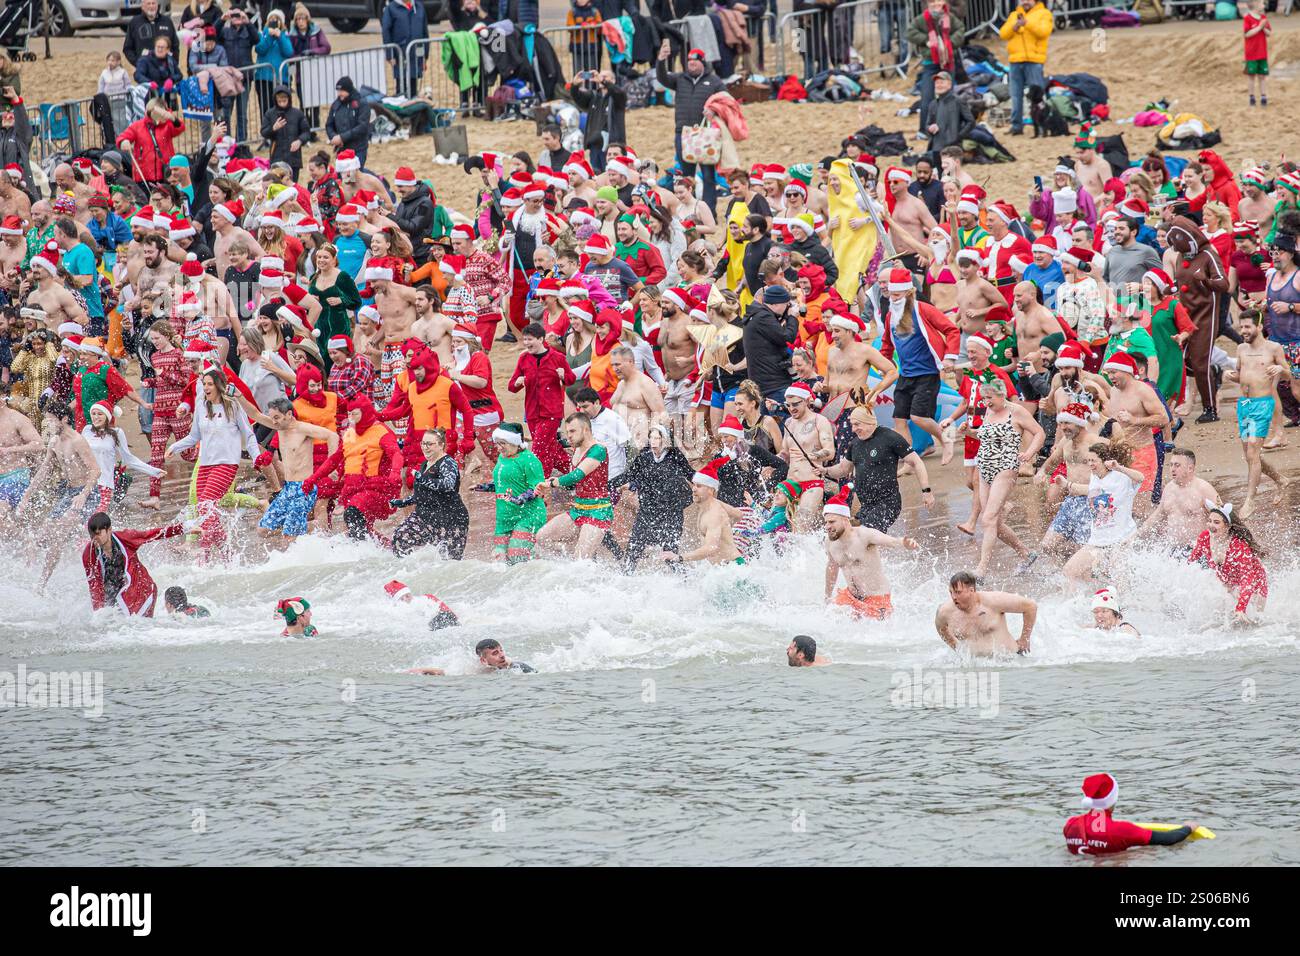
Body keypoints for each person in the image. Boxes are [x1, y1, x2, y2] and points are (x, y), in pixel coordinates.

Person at [823, 405, 933, 533]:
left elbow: (916, 462)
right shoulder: (855, 443)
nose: (853, 429)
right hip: (866, 506)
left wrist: (926, 491)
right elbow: (843, 469)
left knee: (866, 535)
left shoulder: (889, 437)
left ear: (869, 422)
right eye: (852, 425)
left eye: (857, 424)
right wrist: (824, 471)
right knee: (849, 534)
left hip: (888, 503)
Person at [1223, 310, 1291, 518]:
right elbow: (1242, 377)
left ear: (1259, 327)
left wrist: (1280, 370)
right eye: (1241, 327)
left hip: (1262, 405)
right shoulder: (1241, 348)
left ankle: (1250, 500)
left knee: (1252, 451)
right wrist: (1230, 376)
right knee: (1250, 456)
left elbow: (1290, 373)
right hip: (1245, 405)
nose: (1243, 331)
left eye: (1247, 327)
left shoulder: (1273, 348)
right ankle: (1280, 479)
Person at [823, 485, 920, 621]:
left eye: (832, 522)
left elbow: (892, 541)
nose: (827, 526)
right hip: (850, 597)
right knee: (829, 621)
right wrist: (827, 597)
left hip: (876, 598)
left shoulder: (864, 535)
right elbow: (832, 567)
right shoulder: (830, 542)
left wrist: (905, 543)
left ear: (845, 519)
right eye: (826, 522)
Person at [1060, 438, 1145, 589]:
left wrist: (1119, 468)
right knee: (1069, 571)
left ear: (1105, 461)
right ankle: (1080, 606)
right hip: (1097, 541)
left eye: (1094, 460)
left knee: (1118, 578)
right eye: (1088, 461)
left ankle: (1126, 608)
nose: (1090, 464)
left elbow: (1141, 478)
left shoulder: (1122, 478)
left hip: (1121, 539)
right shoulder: (1094, 477)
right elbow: (1090, 491)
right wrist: (1067, 484)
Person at [656, 45, 727, 216]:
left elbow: (725, 99)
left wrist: (714, 110)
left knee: (708, 175)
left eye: (695, 61)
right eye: (689, 61)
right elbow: (663, 78)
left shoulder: (714, 80)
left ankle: (709, 212)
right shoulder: (681, 78)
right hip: (684, 133)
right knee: (687, 176)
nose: (691, 64)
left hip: (706, 134)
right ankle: (690, 212)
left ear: (702, 62)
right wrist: (660, 60)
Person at [611, 423, 693, 570]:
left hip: (671, 512)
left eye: (657, 438)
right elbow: (629, 475)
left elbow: (690, 474)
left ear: (665, 440)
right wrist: (607, 485)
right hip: (647, 511)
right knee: (633, 550)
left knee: (670, 554)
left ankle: (685, 582)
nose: (654, 441)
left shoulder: (675, 456)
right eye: (651, 438)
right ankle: (625, 580)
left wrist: (707, 481)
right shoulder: (644, 457)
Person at [82, 511, 188, 617]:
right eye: (92, 535)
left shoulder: (125, 538)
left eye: (98, 533)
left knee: (139, 626)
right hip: (114, 593)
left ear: (109, 530)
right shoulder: (89, 554)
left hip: (141, 590)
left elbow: (153, 534)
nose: (94, 538)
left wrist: (183, 528)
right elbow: (94, 585)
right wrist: (98, 613)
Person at [1063, 773, 1197, 855]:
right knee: (1142, 854)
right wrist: (1188, 827)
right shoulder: (1123, 830)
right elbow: (1169, 839)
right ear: (1113, 799)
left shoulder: (1071, 824)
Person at [389, 427, 470, 559]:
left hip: (450, 519)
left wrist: (422, 478)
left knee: (449, 561)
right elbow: (422, 495)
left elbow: (448, 485)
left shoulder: (448, 463)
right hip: (425, 515)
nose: (425, 447)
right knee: (400, 537)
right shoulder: (425, 464)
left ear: (441, 445)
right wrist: (402, 502)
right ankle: (410, 574)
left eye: (430, 444)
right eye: (423, 443)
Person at [1189, 501, 1268, 623]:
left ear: (1228, 526)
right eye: (1209, 521)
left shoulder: (1239, 546)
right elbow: (1191, 563)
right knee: (1222, 620)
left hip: (1255, 585)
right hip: (1229, 585)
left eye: (1216, 522)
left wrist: (1240, 608)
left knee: (1256, 621)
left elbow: (1247, 580)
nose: (1210, 526)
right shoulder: (1205, 537)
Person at [1137, 447, 1221, 557]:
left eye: (1177, 465)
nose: (1172, 469)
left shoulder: (1203, 489)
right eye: (1171, 465)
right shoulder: (1169, 488)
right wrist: (1135, 536)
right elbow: (1157, 515)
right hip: (1172, 549)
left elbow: (1222, 517)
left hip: (1197, 549)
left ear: (1190, 468)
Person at [661, 456, 744, 566]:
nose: (694, 489)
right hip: (724, 569)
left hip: (732, 568)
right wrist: (726, 528)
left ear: (711, 490)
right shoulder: (716, 503)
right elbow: (738, 514)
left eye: (699, 486)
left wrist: (679, 557)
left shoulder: (714, 514)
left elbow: (711, 548)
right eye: (694, 485)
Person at [935, 571, 1036, 656]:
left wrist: (1024, 639)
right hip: (976, 668)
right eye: (951, 592)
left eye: (958, 592)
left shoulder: (993, 601)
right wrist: (956, 647)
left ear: (971, 590)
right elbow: (940, 627)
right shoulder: (946, 612)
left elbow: (1030, 606)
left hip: (1009, 661)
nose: (953, 597)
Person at [487, 422, 547, 564]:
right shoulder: (503, 457)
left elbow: (538, 487)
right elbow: (505, 480)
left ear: (515, 443)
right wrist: (486, 486)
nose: (499, 447)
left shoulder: (529, 460)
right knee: (499, 560)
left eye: (503, 443)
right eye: (497, 443)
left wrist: (521, 498)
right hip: (504, 517)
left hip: (528, 515)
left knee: (517, 557)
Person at [906, 0, 963, 144]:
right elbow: (910, 32)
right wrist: (926, 40)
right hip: (930, 63)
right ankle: (924, 130)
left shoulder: (950, 18)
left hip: (948, 62)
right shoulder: (922, 19)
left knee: (949, 96)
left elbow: (960, 30)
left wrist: (949, 43)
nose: (936, 7)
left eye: (939, 4)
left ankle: (950, 128)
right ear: (928, 5)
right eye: (933, 4)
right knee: (927, 97)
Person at [998, 0, 1052, 136]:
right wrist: (1014, 26)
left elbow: (1043, 32)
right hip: (1015, 60)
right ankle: (1016, 126)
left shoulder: (1044, 14)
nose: (1025, 1)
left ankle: (1042, 126)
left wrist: (1027, 23)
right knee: (1015, 95)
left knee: (1037, 97)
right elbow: (1003, 34)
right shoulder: (1014, 15)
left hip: (1034, 60)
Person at [260, 85, 311, 184]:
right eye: (279, 101)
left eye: (284, 100)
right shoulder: (269, 114)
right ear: (275, 100)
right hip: (277, 157)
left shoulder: (297, 114)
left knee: (292, 185)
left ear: (289, 99)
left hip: (294, 158)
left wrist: (299, 141)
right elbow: (263, 132)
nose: (282, 103)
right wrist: (273, 128)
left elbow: (306, 132)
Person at [382, 0, 428, 98]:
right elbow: (386, 31)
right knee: (401, 85)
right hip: (400, 53)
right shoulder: (391, 8)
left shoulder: (419, 7)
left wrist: (425, 55)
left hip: (416, 53)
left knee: (414, 82)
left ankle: (413, 108)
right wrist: (390, 54)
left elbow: (425, 32)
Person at [923, 71, 972, 160]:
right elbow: (927, 125)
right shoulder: (933, 104)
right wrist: (930, 128)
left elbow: (971, 122)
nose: (939, 85)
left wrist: (958, 136)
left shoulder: (958, 101)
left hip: (953, 148)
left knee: (951, 173)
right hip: (936, 148)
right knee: (938, 173)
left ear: (949, 84)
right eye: (937, 83)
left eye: (942, 82)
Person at [327, 78, 372, 170]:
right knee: (342, 178)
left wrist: (342, 137)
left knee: (354, 178)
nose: (339, 94)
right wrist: (334, 137)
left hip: (358, 149)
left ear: (349, 90)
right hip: (342, 149)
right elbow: (329, 125)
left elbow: (362, 127)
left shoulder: (361, 104)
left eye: (342, 91)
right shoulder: (336, 105)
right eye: (338, 91)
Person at [123, 0, 181, 68]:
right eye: (148, 4)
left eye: (153, 3)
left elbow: (175, 45)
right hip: (145, 70)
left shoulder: (167, 21)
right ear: (142, 6)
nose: (151, 6)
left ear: (157, 5)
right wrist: (138, 63)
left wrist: (174, 63)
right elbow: (127, 48)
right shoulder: (135, 22)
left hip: (166, 68)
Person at [1243, 0, 1271, 108]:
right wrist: (1259, 27)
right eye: (1262, 3)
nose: (1264, 5)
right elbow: (1247, 34)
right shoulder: (1247, 18)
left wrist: (1263, 27)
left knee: (1262, 76)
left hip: (1262, 53)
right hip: (1251, 54)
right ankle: (1252, 97)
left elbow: (1269, 33)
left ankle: (1263, 96)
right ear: (1255, 5)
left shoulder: (1264, 18)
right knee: (1251, 76)